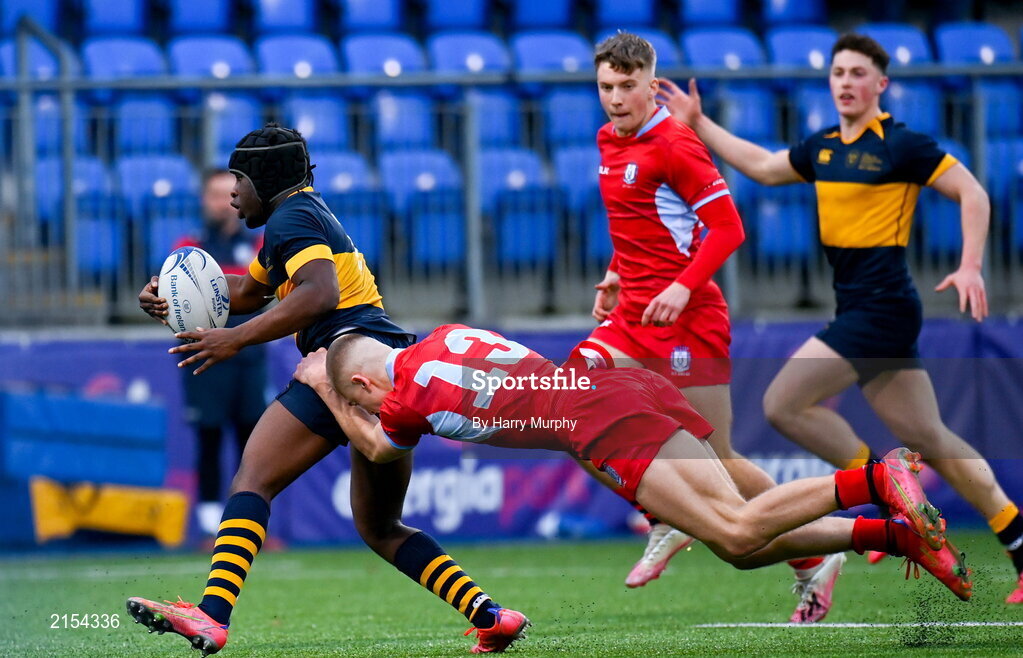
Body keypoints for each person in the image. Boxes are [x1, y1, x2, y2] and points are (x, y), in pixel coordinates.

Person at [129, 124, 528, 656]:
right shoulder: (300, 215)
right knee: (380, 525)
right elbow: (248, 290)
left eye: (239, 181)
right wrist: (173, 290)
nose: (232, 194)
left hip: (343, 361)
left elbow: (320, 295)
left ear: (264, 182)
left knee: (254, 478)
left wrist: (235, 340)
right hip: (388, 369)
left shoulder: (292, 219)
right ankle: (492, 616)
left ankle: (211, 614)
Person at [657, 32, 1023, 604]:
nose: (846, 83)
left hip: (883, 308)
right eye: (838, 73)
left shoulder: (901, 144)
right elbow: (765, 165)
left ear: (882, 84)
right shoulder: (824, 146)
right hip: (858, 307)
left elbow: (973, 193)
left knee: (783, 403)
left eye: (857, 73)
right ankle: (1018, 544)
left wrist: (971, 265)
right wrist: (699, 123)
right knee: (934, 437)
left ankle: (885, 492)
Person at [292, 325, 973, 608]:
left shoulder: (401, 398)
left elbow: (378, 449)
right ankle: (894, 533)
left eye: (354, 394)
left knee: (735, 532)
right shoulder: (438, 339)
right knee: (736, 545)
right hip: (618, 390)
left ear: (363, 387)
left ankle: (875, 482)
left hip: (597, 424)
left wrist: (322, 384)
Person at [581, 32, 840, 622]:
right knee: (573, 404)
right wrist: (616, 274)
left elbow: (727, 228)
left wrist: (680, 286)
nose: (616, 98)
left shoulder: (675, 142)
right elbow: (641, 222)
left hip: (687, 321)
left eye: (628, 86)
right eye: (606, 87)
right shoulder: (606, 139)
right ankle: (665, 515)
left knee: (716, 457)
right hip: (631, 318)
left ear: (651, 83)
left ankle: (815, 554)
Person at [175, 169, 267, 539]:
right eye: (214, 195)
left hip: (248, 354)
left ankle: (248, 530)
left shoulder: (261, 245)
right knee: (209, 441)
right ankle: (210, 531)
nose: (224, 203)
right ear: (203, 200)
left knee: (255, 446)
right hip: (201, 356)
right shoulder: (188, 245)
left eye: (229, 194)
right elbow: (179, 295)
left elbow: (262, 292)